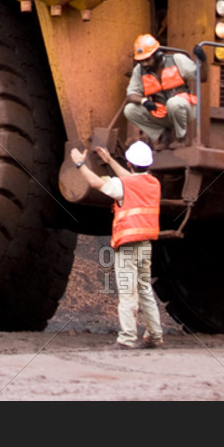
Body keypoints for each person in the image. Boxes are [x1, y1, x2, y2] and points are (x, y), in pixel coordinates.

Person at [69, 140, 164, 349]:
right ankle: (155, 335)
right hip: (145, 244)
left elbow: (96, 183)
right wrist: (110, 161)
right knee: (145, 288)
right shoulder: (153, 184)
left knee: (128, 292)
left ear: (130, 164)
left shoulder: (124, 185)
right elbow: (132, 180)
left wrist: (79, 164)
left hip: (127, 245)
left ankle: (127, 338)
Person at [124, 33, 199, 146]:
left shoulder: (177, 60)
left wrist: (203, 62)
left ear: (158, 55)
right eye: (141, 61)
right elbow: (131, 94)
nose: (144, 64)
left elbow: (201, 77)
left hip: (185, 110)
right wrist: (144, 101)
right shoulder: (140, 70)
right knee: (130, 110)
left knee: (173, 103)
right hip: (163, 114)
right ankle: (163, 135)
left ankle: (181, 138)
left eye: (147, 60)